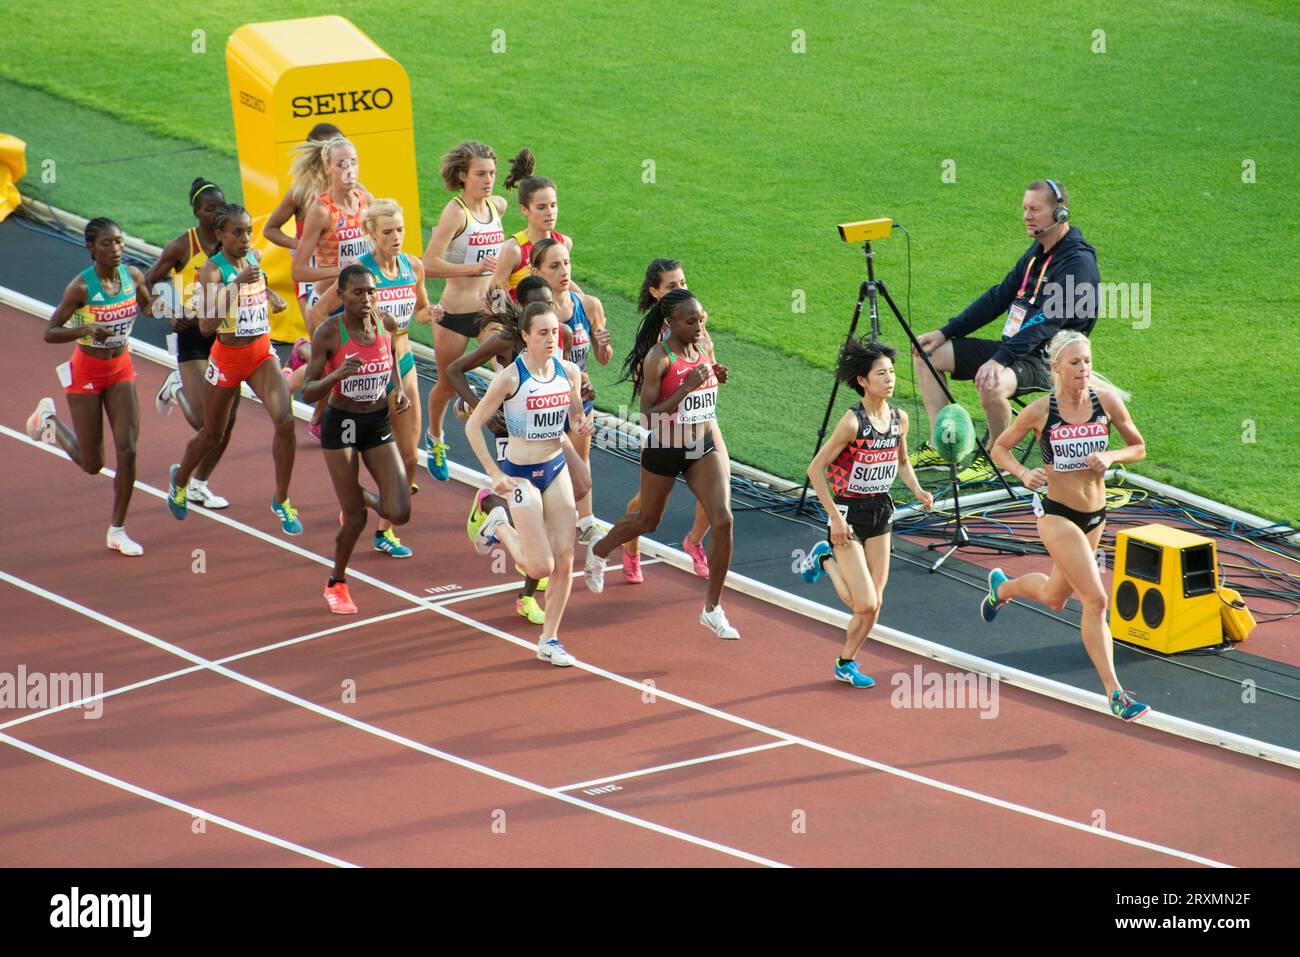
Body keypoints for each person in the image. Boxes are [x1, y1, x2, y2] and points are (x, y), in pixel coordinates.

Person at [980, 331, 1151, 722]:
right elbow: (999, 448)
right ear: (1056, 367)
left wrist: (1112, 456)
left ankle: (1001, 588)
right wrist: (1023, 472)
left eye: (1088, 361)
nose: (1084, 369)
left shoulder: (1104, 402)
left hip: (1095, 517)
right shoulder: (1041, 411)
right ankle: (1116, 694)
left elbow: (1138, 447)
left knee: (1056, 597)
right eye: (1075, 363)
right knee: (1096, 600)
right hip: (1056, 515)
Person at [910, 180, 1099, 480]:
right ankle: (943, 445)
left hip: (1048, 361)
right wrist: (946, 332)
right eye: (1025, 208)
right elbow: (1000, 296)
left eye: (1035, 209)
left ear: (1060, 213)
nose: (1027, 215)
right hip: (1015, 351)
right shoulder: (1039, 251)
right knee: (927, 354)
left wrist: (999, 359)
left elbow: (1046, 322)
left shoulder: (1078, 264)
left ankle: (997, 455)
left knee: (991, 382)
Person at [584, 289, 739, 641]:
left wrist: (714, 375)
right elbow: (648, 416)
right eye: (691, 321)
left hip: (702, 446)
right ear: (670, 323)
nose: (699, 326)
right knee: (647, 521)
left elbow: (703, 383)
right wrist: (685, 390)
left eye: (701, 318)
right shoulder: (658, 356)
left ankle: (712, 609)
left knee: (724, 519)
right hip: (665, 447)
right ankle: (600, 549)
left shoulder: (701, 345)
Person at [449, 276, 594, 625]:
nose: (552, 336)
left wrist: (581, 420)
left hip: (553, 453)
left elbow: (574, 409)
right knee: (538, 559)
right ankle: (497, 521)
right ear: (525, 330)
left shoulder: (566, 361)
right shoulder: (507, 360)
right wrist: (478, 411)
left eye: (554, 329)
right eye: (543, 331)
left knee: (581, 494)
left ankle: (548, 633)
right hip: (515, 448)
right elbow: (462, 390)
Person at [798, 338, 933, 687]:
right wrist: (835, 518)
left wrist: (917, 489)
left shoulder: (899, 418)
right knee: (864, 601)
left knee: (875, 604)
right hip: (848, 515)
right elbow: (816, 470)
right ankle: (826, 559)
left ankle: (846, 662)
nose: (889, 379)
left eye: (891, 372)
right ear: (863, 380)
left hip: (880, 512)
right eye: (881, 373)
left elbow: (901, 462)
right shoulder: (852, 423)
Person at [308, 199, 439, 558]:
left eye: (400, 230)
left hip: (401, 362)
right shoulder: (358, 273)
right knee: (360, 450)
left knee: (411, 454)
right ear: (370, 234)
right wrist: (332, 357)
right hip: (360, 368)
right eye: (387, 232)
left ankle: (385, 531)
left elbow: (422, 311)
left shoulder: (413, 266)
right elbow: (319, 311)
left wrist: (434, 313)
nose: (396, 237)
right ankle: (355, 500)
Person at [166, 204, 300, 534]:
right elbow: (209, 325)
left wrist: (268, 293)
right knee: (212, 432)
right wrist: (238, 284)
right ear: (221, 235)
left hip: (260, 354)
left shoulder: (253, 257)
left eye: (248, 231)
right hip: (227, 357)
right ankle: (180, 479)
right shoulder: (212, 271)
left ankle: (281, 500)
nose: (245, 238)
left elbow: (257, 281)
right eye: (237, 233)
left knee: (285, 420)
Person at [27, 218, 153, 555]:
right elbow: (50, 331)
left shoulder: (134, 276)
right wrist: (83, 331)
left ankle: (117, 530)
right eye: (107, 244)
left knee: (128, 450)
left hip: (121, 368)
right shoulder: (81, 288)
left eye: (119, 242)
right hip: (86, 371)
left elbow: (149, 306)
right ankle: (49, 422)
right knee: (92, 464)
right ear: (91, 248)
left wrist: (183, 307)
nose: (116, 250)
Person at [301, 265, 412, 614]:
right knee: (356, 518)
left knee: (399, 510)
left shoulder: (386, 323)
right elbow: (306, 392)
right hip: (343, 424)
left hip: (377, 421)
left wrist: (398, 388)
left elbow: (390, 359)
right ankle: (337, 582)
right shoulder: (329, 333)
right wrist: (338, 374)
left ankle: (355, 494)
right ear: (342, 294)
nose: (366, 299)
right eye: (358, 292)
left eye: (371, 292)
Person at [620, 258, 726, 584]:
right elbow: (648, 405)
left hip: (703, 421)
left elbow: (706, 363)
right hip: (667, 428)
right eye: (671, 286)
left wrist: (714, 374)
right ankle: (631, 546)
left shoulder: (696, 324)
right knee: (648, 503)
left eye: (683, 282)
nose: (681, 289)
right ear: (655, 293)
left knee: (721, 491)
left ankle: (693, 542)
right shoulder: (655, 346)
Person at [144, 177, 235, 510]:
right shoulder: (183, 245)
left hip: (226, 336)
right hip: (193, 335)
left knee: (227, 422)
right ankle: (176, 387)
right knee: (204, 422)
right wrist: (170, 310)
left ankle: (198, 484)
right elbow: (150, 280)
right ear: (196, 211)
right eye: (210, 208)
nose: (216, 213)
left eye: (220, 207)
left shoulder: (232, 242)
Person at [421, 141, 507, 481]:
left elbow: (502, 202)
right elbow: (429, 263)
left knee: (508, 365)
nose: (488, 181)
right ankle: (436, 437)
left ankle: (476, 405)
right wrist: (472, 269)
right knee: (445, 382)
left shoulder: (495, 207)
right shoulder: (456, 213)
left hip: (491, 308)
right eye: (481, 174)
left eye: (492, 174)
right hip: (454, 313)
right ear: (462, 175)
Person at [290, 134, 373, 438]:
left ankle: (305, 358)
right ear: (328, 169)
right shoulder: (320, 211)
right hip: (327, 301)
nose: (349, 169)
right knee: (332, 367)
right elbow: (298, 270)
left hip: (360, 298)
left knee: (358, 364)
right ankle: (287, 387)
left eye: (353, 162)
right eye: (341, 164)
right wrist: (342, 271)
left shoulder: (366, 200)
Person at [530, 237, 612, 543]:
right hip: (546, 400)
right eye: (554, 266)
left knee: (581, 461)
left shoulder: (589, 305)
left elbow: (603, 359)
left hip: (580, 399)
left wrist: (603, 346)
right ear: (537, 272)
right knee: (543, 466)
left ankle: (586, 520)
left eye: (566, 263)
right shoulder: (536, 314)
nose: (564, 271)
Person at [489, 148, 573, 300]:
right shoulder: (514, 249)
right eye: (541, 207)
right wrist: (514, 319)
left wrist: (586, 302)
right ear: (524, 209)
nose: (550, 212)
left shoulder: (563, 243)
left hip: (553, 321)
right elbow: (496, 293)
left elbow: (565, 282)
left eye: (553, 205)